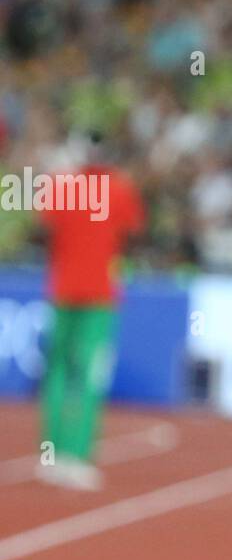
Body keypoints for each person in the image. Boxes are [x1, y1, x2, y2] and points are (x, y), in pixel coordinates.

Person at [35, 136, 146, 491]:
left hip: (62, 290)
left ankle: (50, 454)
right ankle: (77, 456)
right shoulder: (119, 189)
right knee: (89, 377)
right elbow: (134, 228)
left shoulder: (60, 186)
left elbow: (43, 224)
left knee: (57, 372)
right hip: (98, 294)